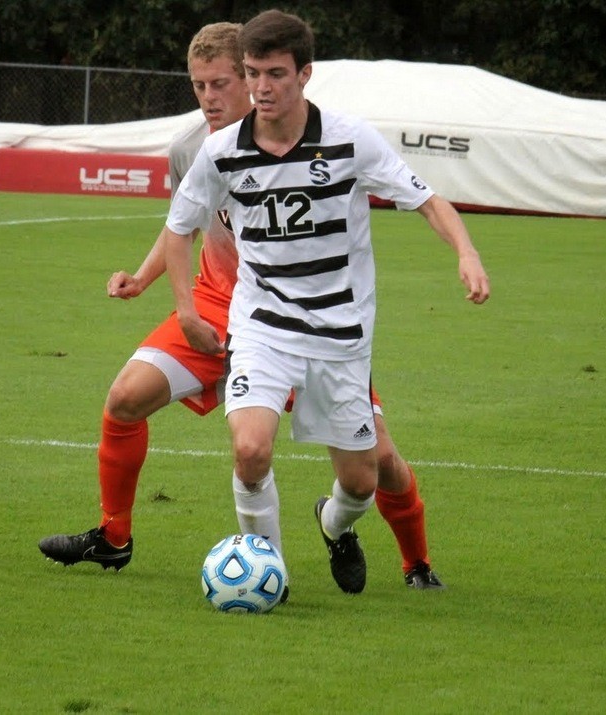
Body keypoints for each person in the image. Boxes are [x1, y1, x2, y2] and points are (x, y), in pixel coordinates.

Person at [38, 21, 455, 591]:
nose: (209, 98)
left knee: (376, 465)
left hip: (316, 320)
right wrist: (143, 278)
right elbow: (182, 227)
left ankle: (413, 562)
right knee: (125, 398)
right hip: (221, 308)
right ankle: (115, 537)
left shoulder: (322, 137)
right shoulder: (196, 149)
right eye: (198, 87)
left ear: (255, 77)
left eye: (220, 84)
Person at [161, 10, 489, 595]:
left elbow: (428, 200)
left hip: (341, 335)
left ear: (305, 74)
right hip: (261, 325)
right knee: (251, 448)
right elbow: (178, 227)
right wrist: (186, 309)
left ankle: (333, 524)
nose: (262, 88)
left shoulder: (349, 138)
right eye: (254, 73)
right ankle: (272, 576)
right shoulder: (221, 153)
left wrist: (466, 252)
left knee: (362, 483)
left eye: (276, 74)